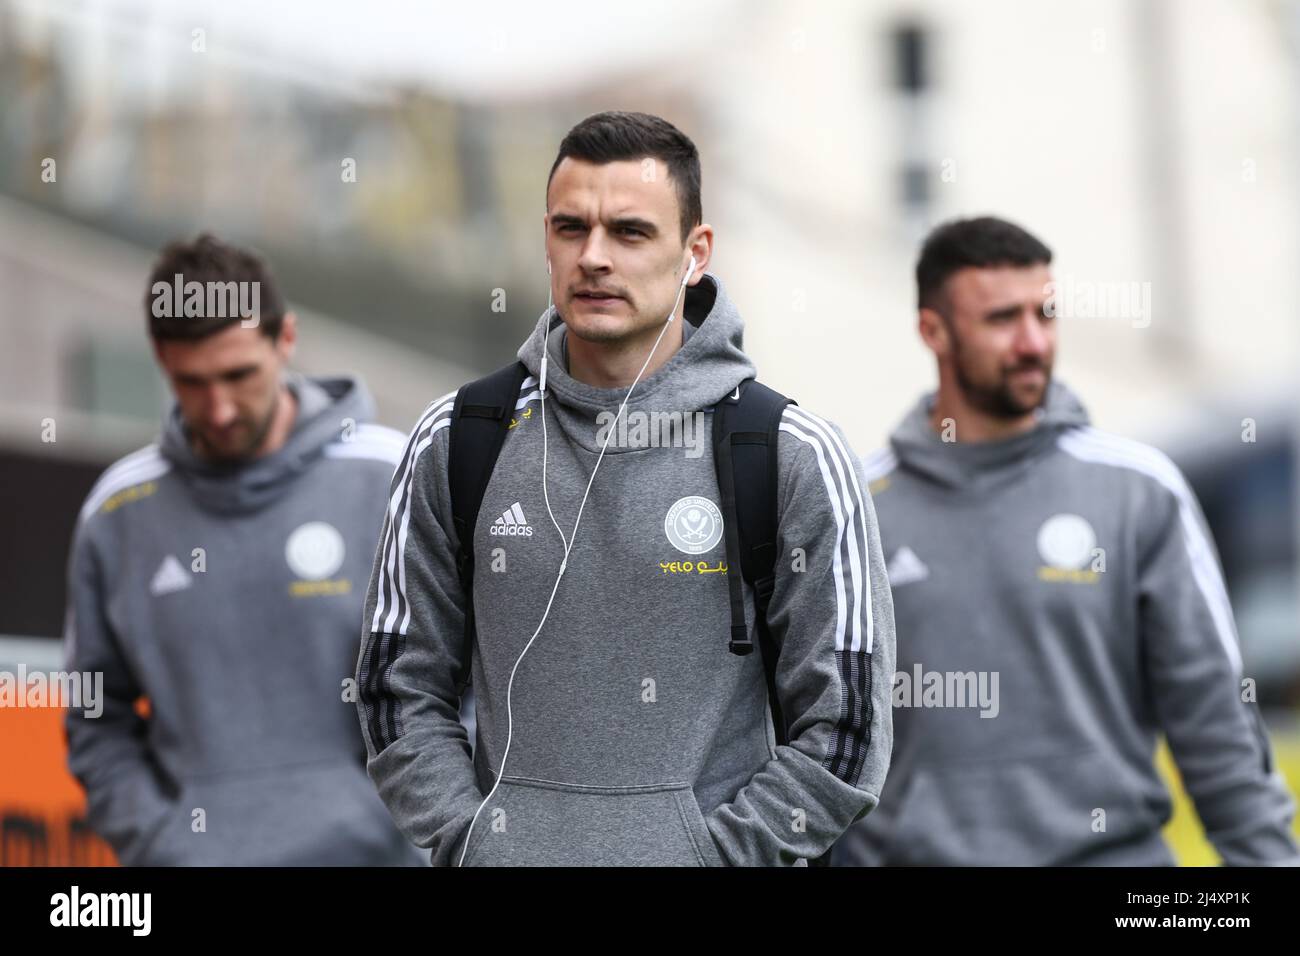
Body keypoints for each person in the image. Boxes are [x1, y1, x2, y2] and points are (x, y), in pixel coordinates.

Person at [356, 110, 896, 866]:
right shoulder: (458, 440)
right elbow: (395, 691)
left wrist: (714, 860)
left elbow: (846, 731)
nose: (595, 257)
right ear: (546, 238)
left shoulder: (788, 454)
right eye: (571, 228)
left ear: (694, 252)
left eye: (631, 232)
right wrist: (478, 846)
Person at [832, 216, 1299, 866]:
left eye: (1045, 315)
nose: (1032, 342)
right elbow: (815, 738)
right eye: (1002, 319)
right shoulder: (853, 510)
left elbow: (1216, 725)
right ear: (933, 331)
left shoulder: (1138, 492)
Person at [64, 234, 426, 865]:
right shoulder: (117, 515)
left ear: (286, 339)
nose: (220, 408)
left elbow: (462, 690)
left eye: (239, 375)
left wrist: (412, 841)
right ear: (159, 358)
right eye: (192, 382)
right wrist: (163, 843)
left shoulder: (391, 477)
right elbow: (96, 718)